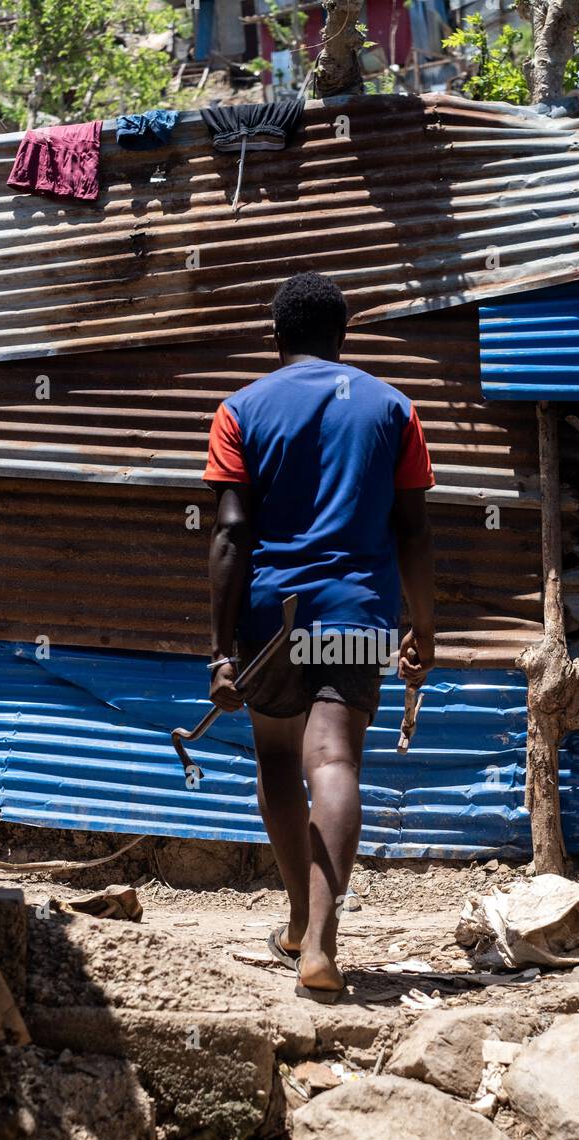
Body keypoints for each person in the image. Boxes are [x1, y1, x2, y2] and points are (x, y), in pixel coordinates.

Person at [204, 271, 435, 1000]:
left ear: (275, 339)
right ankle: (324, 947)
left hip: (272, 612)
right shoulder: (393, 408)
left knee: (278, 757)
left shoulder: (238, 410)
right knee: (333, 759)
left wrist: (219, 650)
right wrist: (420, 626)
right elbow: (414, 529)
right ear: (343, 338)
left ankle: (300, 919)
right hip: (356, 608)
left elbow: (232, 532)